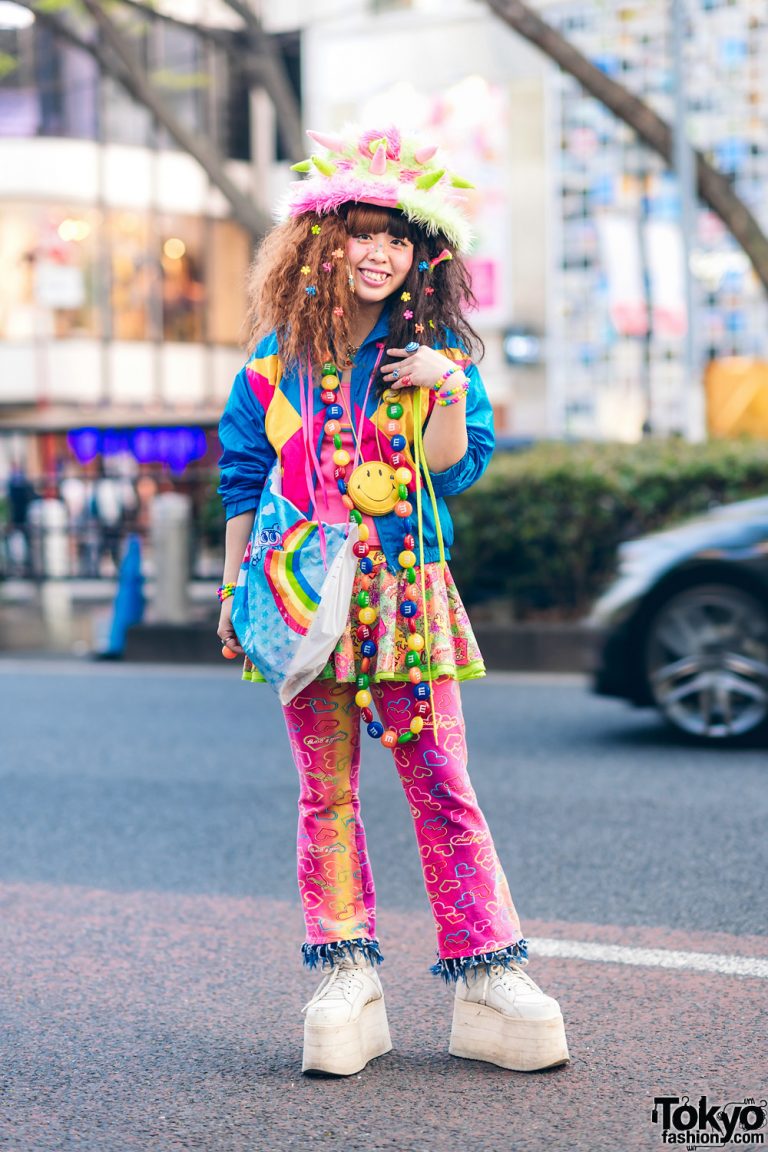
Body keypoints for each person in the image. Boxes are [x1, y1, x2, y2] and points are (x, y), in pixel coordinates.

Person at [217, 126, 569, 1078]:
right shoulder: (271, 359)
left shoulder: (435, 351)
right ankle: (344, 974)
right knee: (324, 797)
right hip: (300, 599)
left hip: (407, 596)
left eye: (398, 239)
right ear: (318, 244)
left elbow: (457, 472)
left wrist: (446, 385)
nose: (378, 254)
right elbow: (244, 475)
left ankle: (488, 972)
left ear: (423, 257)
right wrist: (231, 582)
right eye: (359, 234)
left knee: (443, 787)